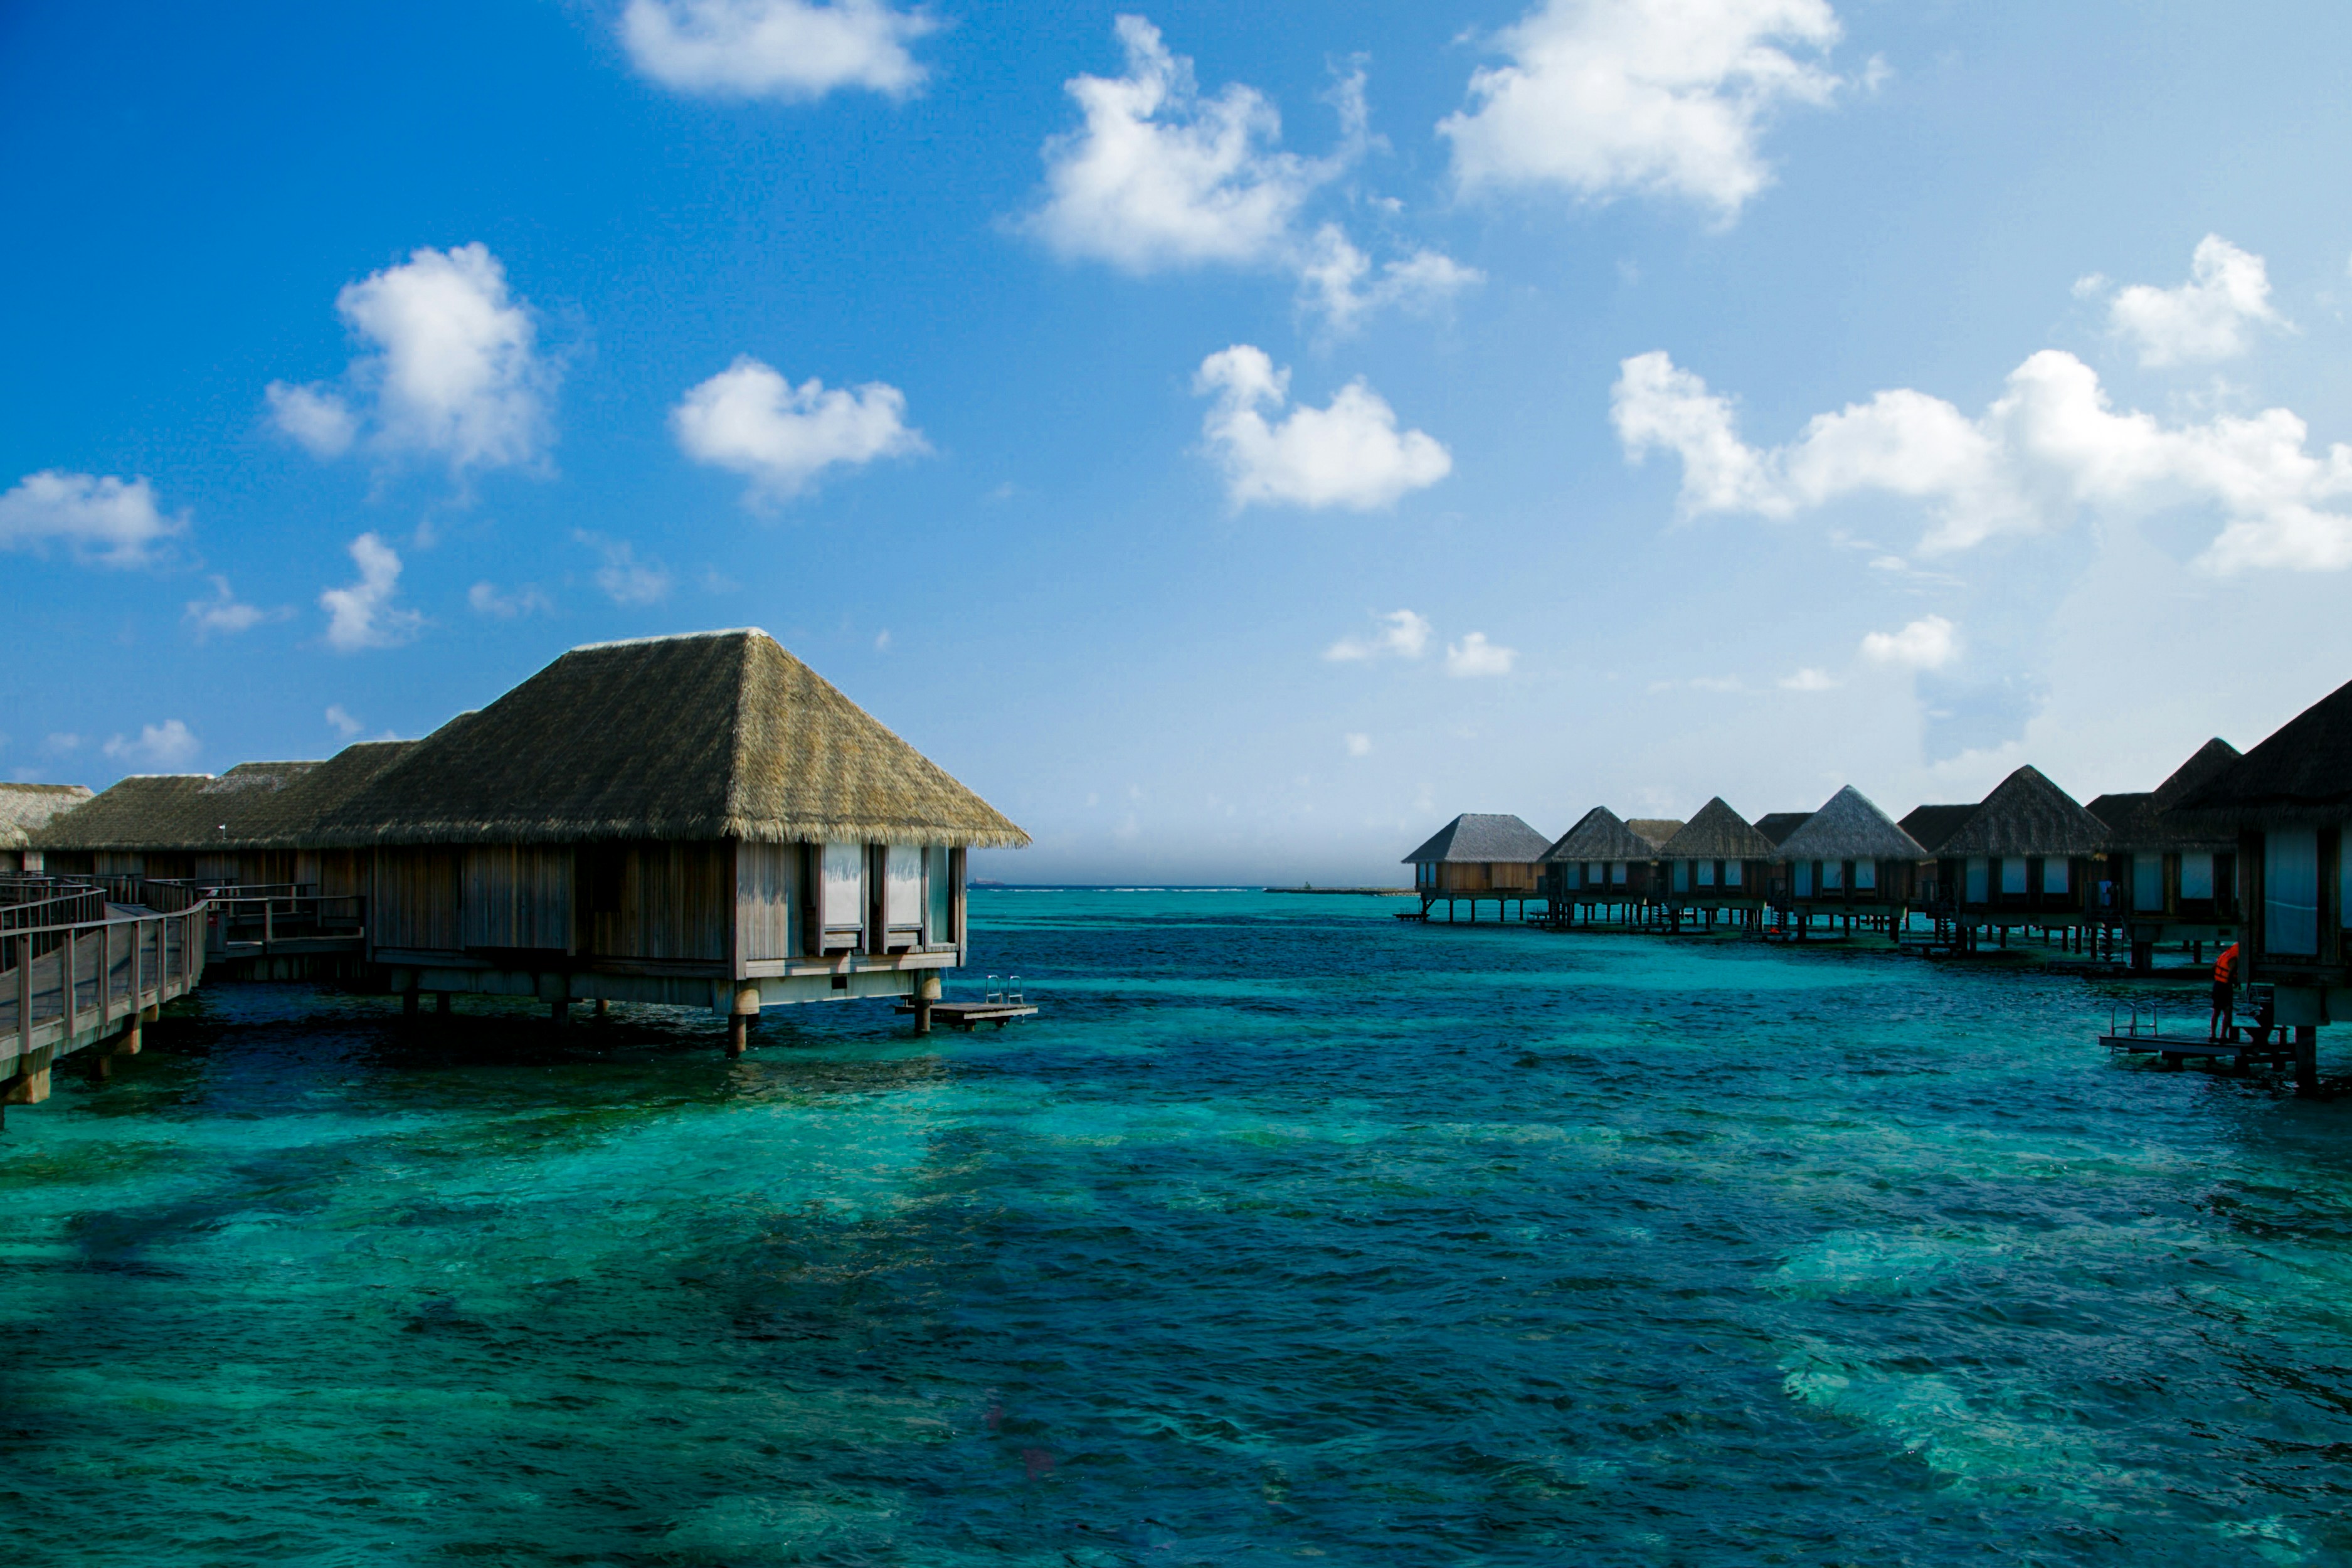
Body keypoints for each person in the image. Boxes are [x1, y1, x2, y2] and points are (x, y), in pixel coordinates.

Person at [2210, 941, 2242, 1041]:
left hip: (2217, 985)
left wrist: (2218, 978)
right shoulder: (2234, 959)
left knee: (2216, 1012)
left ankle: (2213, 1035)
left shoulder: (2224, 955)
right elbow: (2230, 973)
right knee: (2227, 1011)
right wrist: (2234, 982)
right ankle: (2223, 1036)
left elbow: (2213, 967)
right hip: (2225, 986)